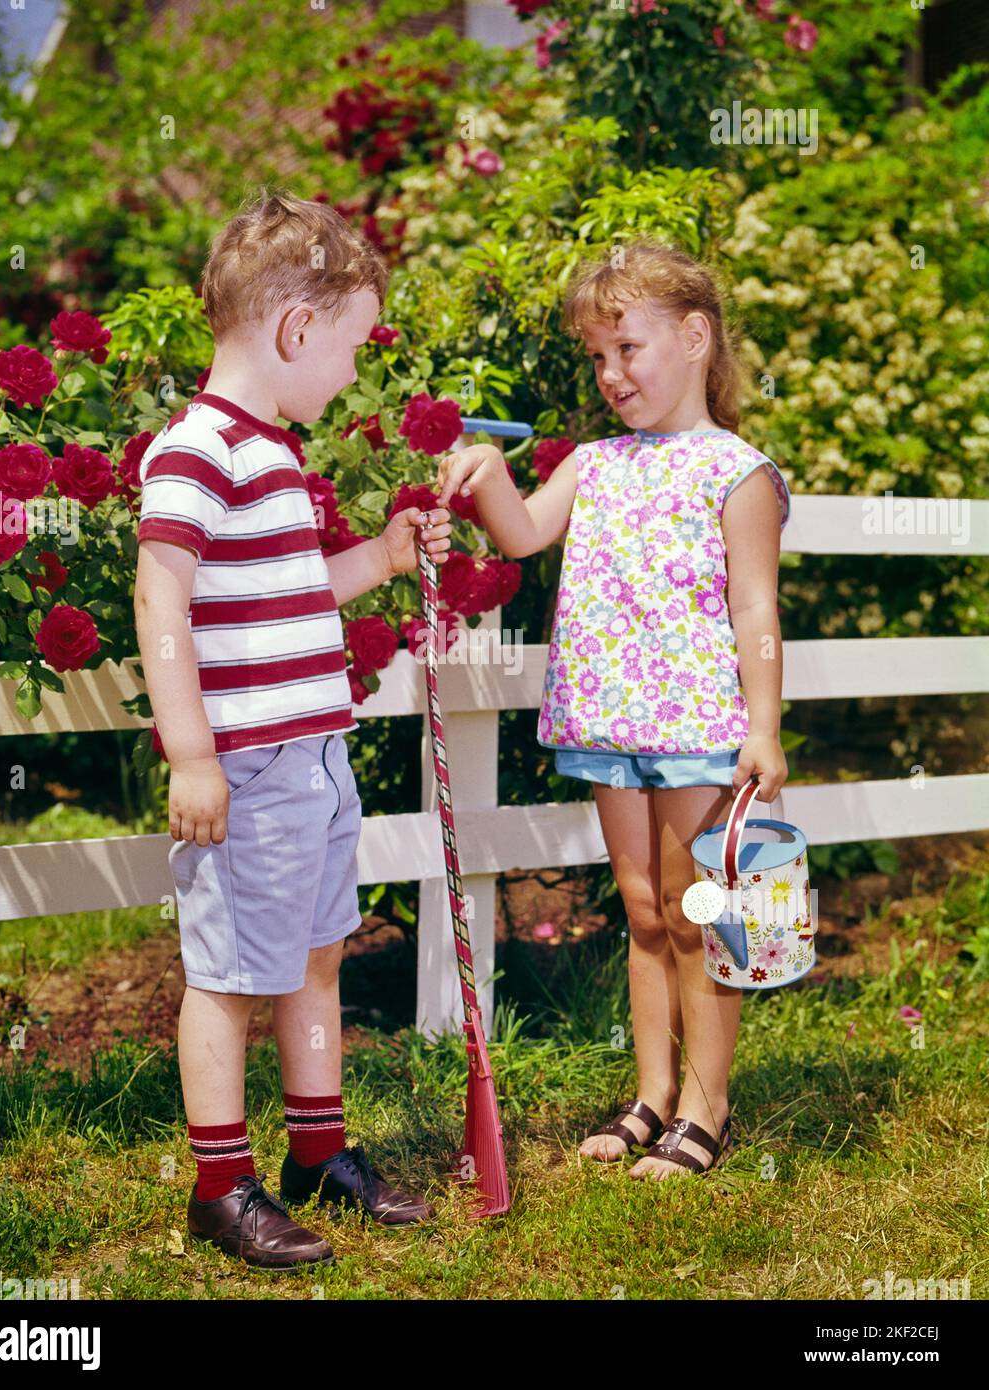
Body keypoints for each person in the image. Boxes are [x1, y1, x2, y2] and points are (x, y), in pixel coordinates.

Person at [133, 192, 452, 1268]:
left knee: (316, 960)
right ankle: (220, 1187)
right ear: (294, 330)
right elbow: (158, 599)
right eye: (353, 347)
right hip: (247, 768)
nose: (355, 373)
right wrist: (191, 754)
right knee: (227, 980)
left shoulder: (272, 454)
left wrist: (384, 554)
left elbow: (295, 589)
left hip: (312, 761)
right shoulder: (197, 449)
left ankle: (320, 1154)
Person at [434, 238, 791, 1180]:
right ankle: (652, 1096)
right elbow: (519, 536)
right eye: (597, 356)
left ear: (696, 336)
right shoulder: (595, 464)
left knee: (698, 909)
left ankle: (707, 1113)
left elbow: (756, 606)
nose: (610, 373)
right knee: (640, 909)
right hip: (611, 724)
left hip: (700, 727)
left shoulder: (737, 472)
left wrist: (765, 727)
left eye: (626, 348)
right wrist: (483, 474)